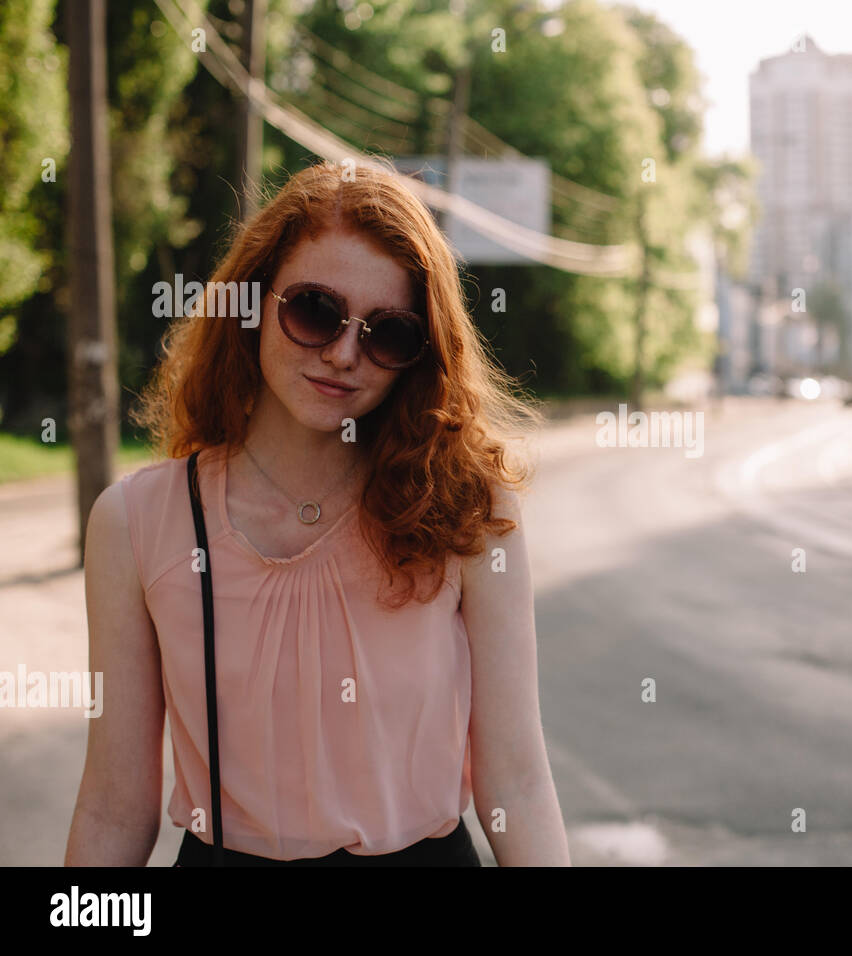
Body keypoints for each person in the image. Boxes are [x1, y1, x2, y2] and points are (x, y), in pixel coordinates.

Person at [63, 160, 570, 866]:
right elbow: (114, 810)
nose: (342, 354)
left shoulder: (466, 511)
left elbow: (517, 780)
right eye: (314, 311)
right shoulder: (136, 521)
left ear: (418, 357)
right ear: (253, 303)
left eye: (387, 333)